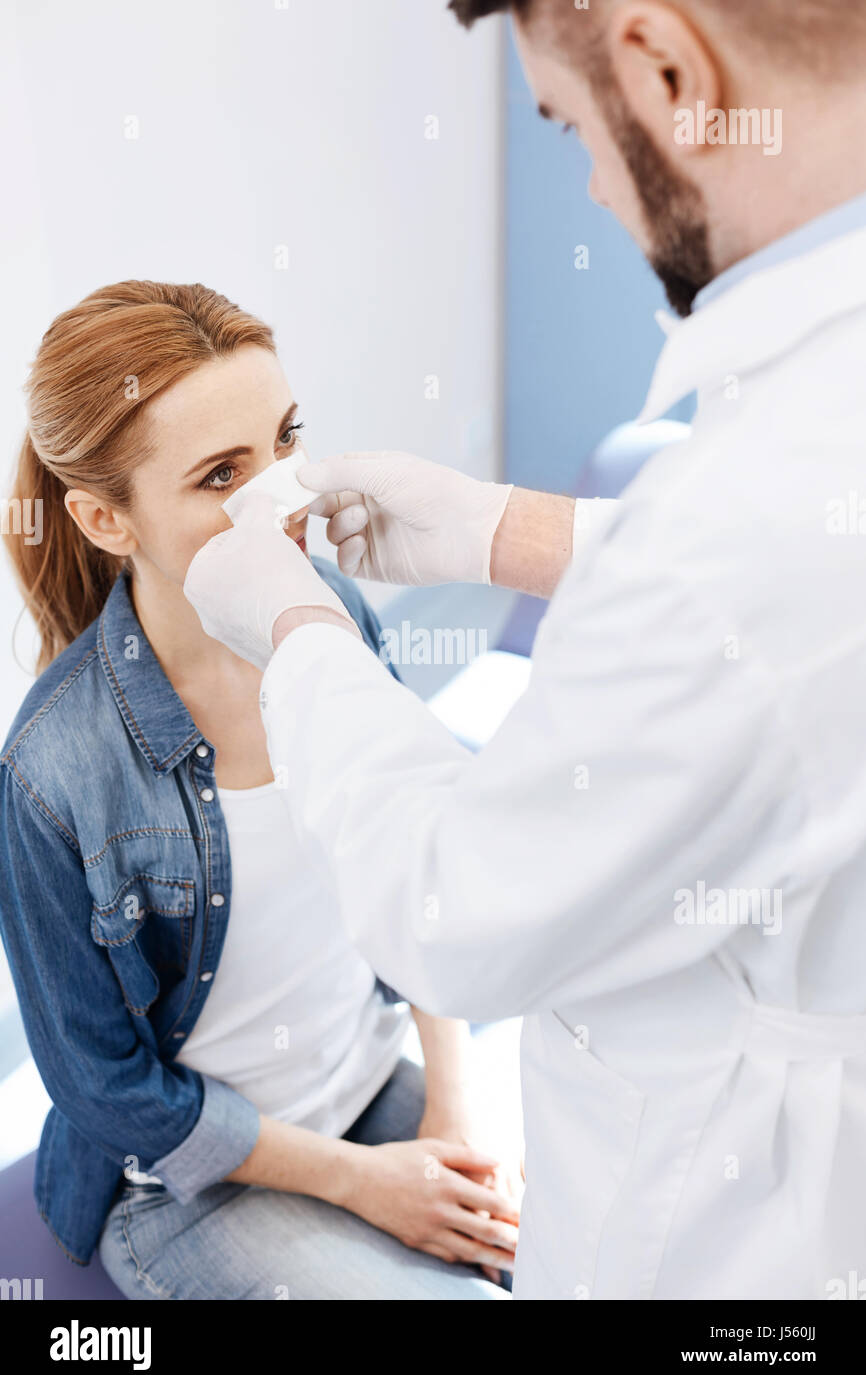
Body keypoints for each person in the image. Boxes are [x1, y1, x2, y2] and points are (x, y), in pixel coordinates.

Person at [182, 0, 866, 1300]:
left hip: (748, 1226)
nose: (598, 192)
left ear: (667, 67)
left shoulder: (741, 528)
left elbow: (450, 908)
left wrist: (303, 628)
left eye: (566, 130)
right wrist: (505, 532)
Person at [0, 279, 520, 1301]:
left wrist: (452, 1112)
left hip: (375, 1091)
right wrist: (369, 1185)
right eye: (221, 474)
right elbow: (107, 1091)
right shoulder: (53, 770)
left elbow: (409, 853)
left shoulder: (329, 618)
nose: (284, 499)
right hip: (200, 1190)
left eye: (285, 443)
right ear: (106, 518)